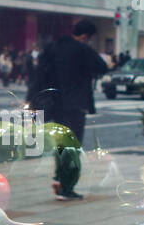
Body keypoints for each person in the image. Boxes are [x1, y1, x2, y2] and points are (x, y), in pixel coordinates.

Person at [32, 17, 113, 200]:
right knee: (73, 146)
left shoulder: (52, 48)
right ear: (85, 36)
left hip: (54, 105)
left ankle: (59, 177)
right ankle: (66, 186)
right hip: (75, 106)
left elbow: (38, 76)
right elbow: (101, 67)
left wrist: (33, 101)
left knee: (60, 142)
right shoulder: (82, 49)